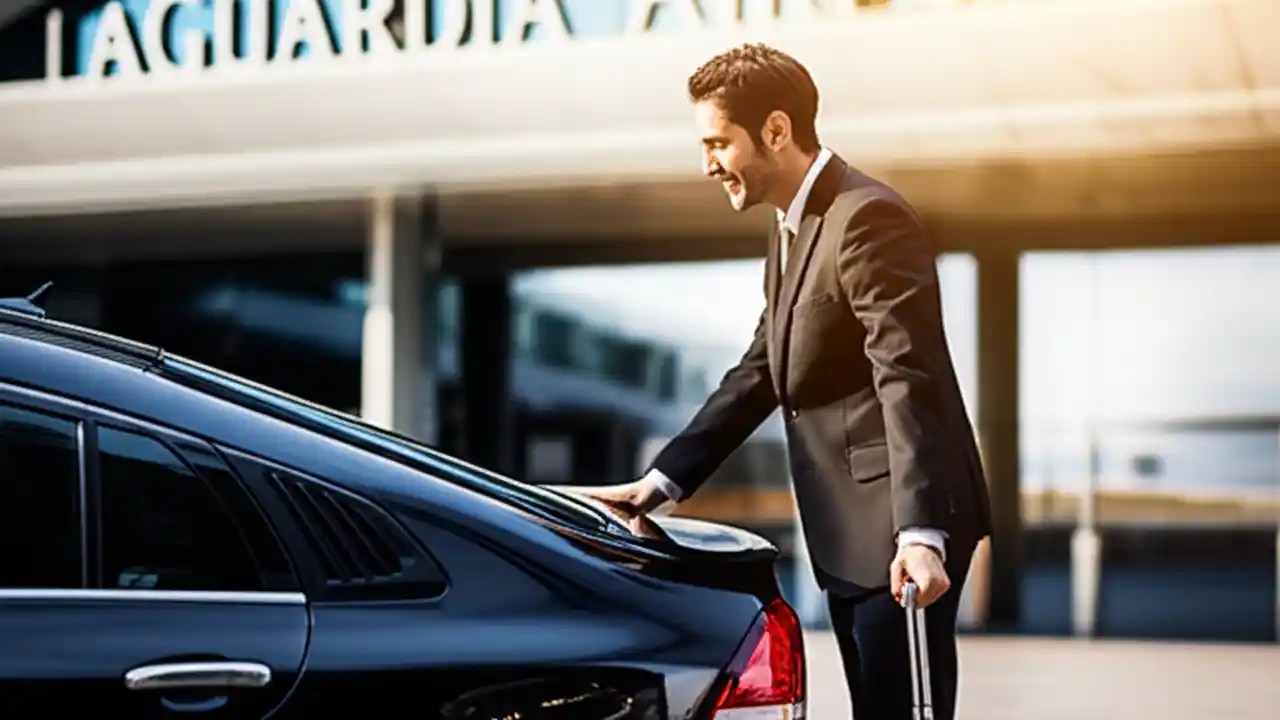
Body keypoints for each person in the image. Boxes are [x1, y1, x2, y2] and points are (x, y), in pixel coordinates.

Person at [580, 43, 993, 719]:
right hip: (850, 535)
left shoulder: (866, 219)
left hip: (899, 536)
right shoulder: (793, 230)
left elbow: (908, 373)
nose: (707, 164)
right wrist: (661, 483)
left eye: (718, 142)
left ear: (775, 130)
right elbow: (762, 369)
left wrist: (920, 534)